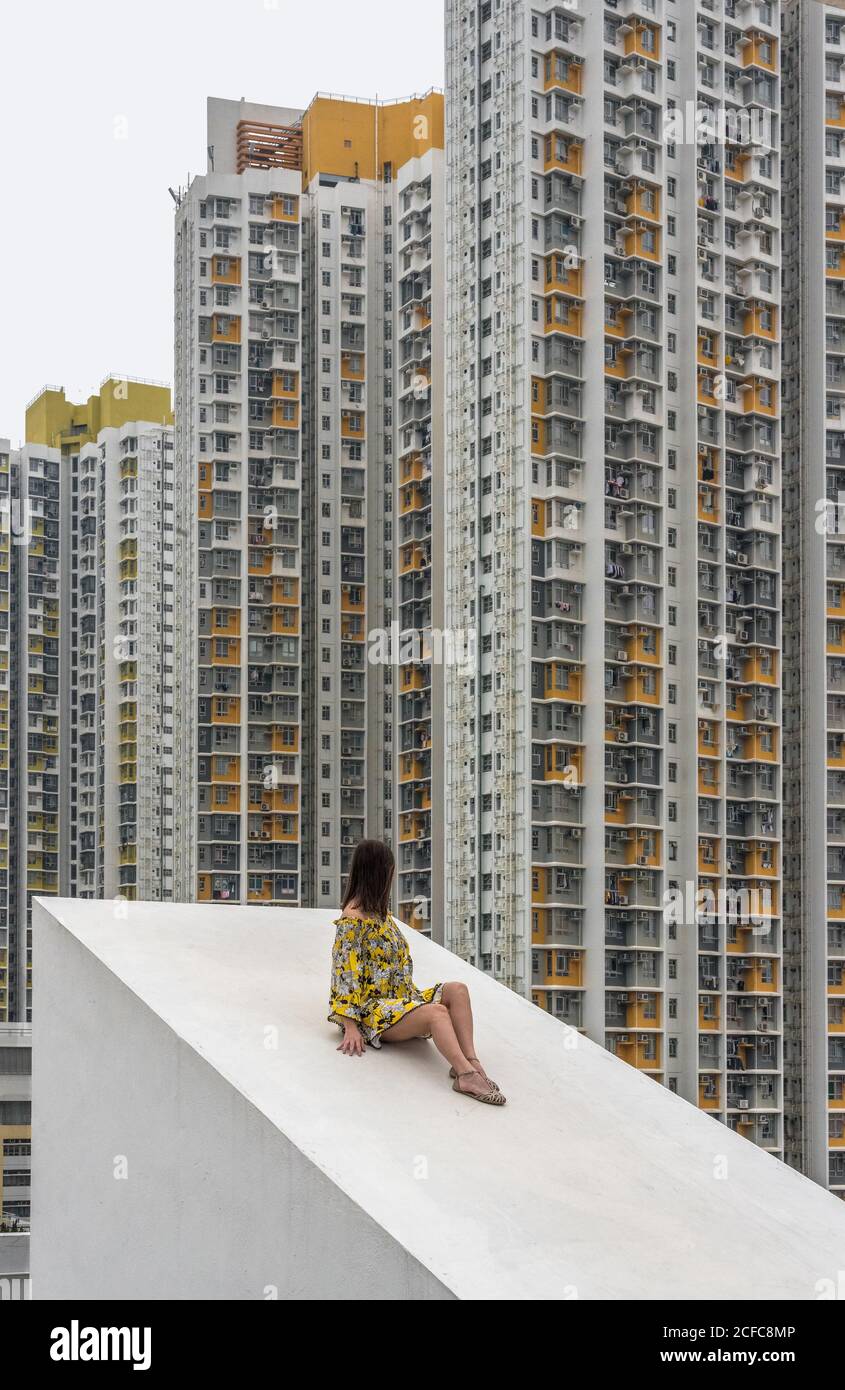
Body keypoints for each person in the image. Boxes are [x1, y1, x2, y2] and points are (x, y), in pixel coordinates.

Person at [328, 839, 505, 1106]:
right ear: (376, 873)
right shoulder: (352, 921)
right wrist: (351, 1026)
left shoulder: (380, 915)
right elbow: (344, 973)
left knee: (457, 989)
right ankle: (465, 1076)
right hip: (374, 1012)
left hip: (402, 999)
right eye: (388, 871)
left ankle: (470, 1061)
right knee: (437, 1013)